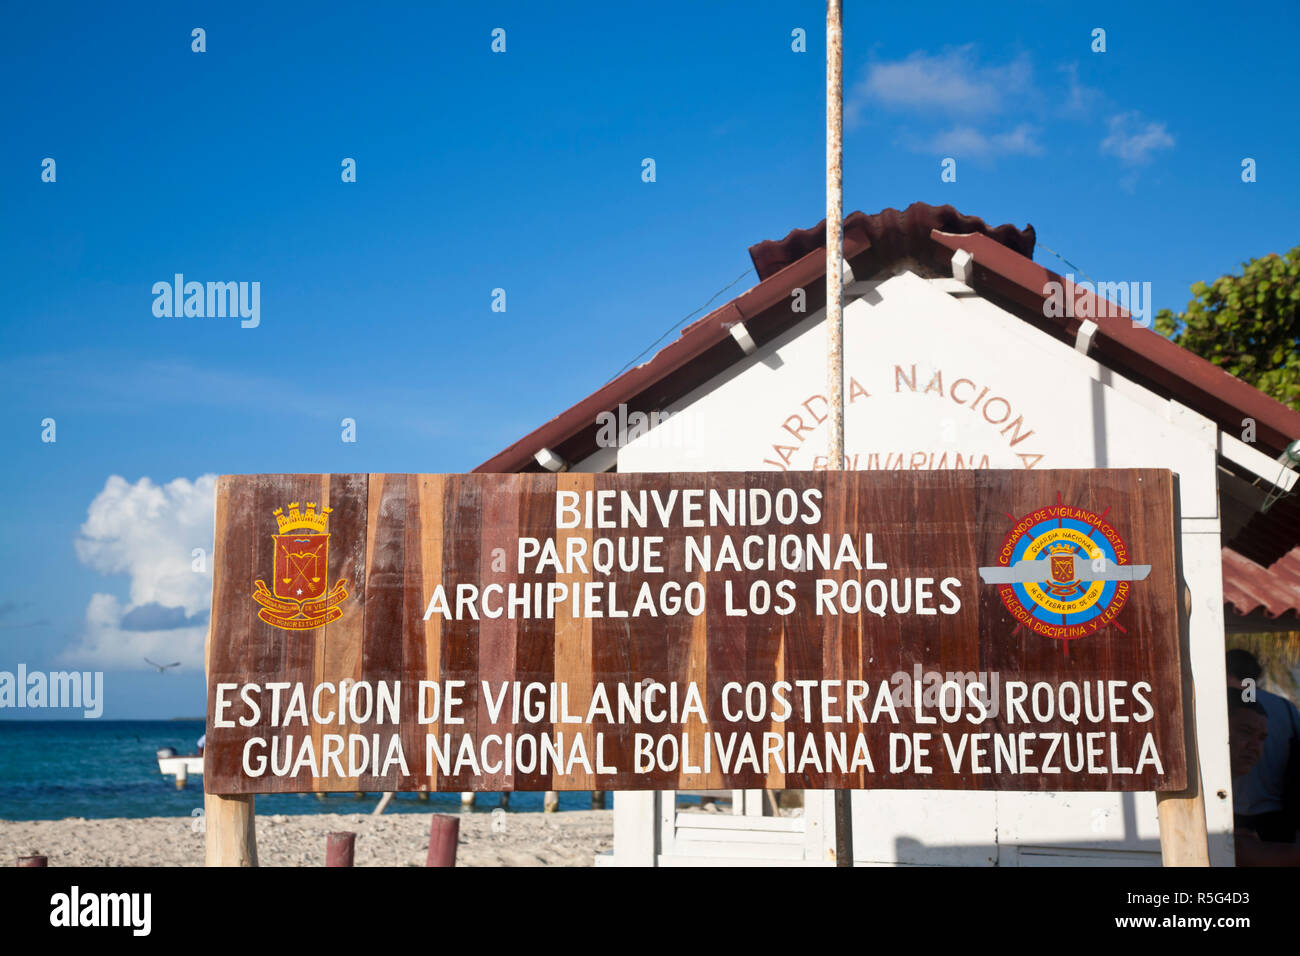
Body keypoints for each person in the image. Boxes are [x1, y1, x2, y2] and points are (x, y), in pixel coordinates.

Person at [1225, 649, 1300, 843]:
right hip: (1278, 816)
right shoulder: (1285, 708)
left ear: (1227, 673)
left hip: (1231, 813)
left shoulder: (1227, 705)